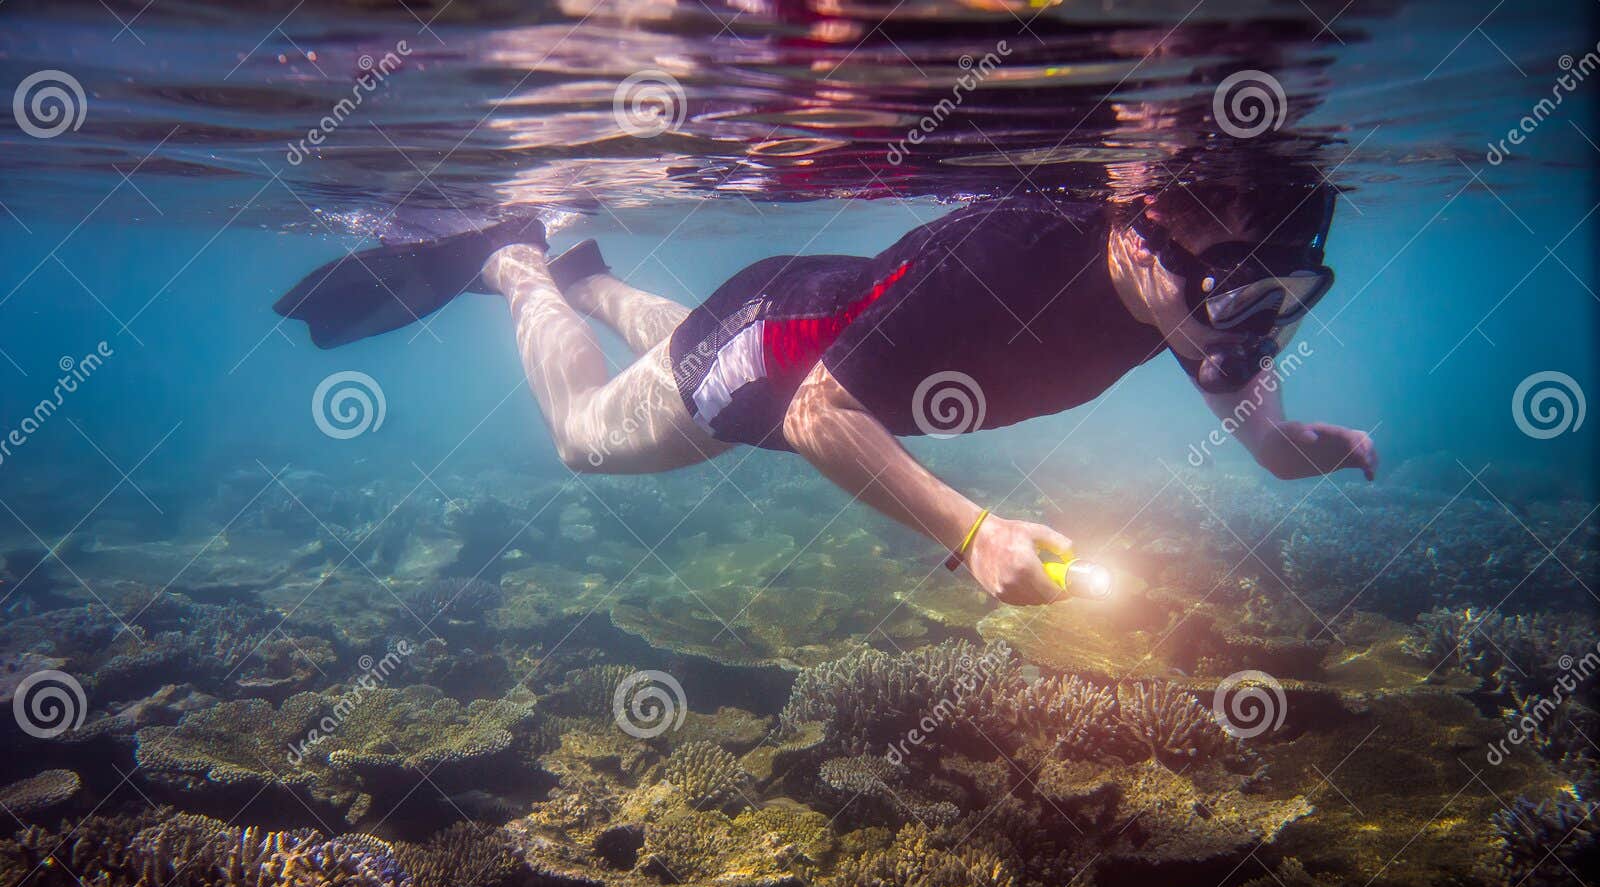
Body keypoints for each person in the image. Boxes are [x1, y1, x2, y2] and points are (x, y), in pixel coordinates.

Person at [275, 174, 1375, 607]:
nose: (1254, 323)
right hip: (775, 361)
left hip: (811, 314)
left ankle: (588, 272)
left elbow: (1235, 374)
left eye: (1286, 296)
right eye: (1235, 293)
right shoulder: (1013, 252)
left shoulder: (1184, 290)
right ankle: (515, 259)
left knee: (679, 345)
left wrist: (1283, 444)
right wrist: (975, 529)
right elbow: (812, 415)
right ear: (1140, 234)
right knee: (581, 435)